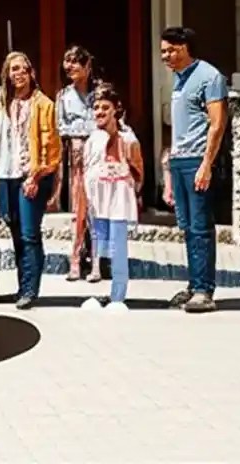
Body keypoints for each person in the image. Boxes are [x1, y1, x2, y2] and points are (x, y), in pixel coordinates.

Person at [160, 26, 228, 313]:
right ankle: (194, 284)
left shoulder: (209, 77)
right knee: (187, 227)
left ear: (184, 47)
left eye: (169, 50)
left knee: (200, 227)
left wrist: (206, 165)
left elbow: (217, 123)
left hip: (198, 160)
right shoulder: (179, 80)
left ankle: (204, 290)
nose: (164, 56)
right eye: (163, 51)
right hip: (179, 160)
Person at [0, 51, 62, 310]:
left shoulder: (43, 105)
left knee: (30, 233)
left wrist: (36, 175)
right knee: (15, 233)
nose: (18, 73)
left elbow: (52, 150)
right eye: (13, 69)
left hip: (30, 175)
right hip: (5, 174)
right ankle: (22, 286)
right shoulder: (3, 103)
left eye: (22, 68)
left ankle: (31, 290)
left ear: (31, 72)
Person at [81, 85, 143, 312]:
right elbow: (86, 169)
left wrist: (129, 190)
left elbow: (138, 172)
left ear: (116, 110)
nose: (99, 112)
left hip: (118, 198)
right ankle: (101, 292)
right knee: (99, 245)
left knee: (118, 247)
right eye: (96, 108)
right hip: (98, 200)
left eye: (104, 108)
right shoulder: (92, 140)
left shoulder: (128, 139)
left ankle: (118, 294)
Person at [52, 45, 100, 282]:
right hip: (76, 160)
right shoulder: (64, 96)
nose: (69, 67)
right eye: (66, 61)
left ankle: (97, 258)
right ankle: (76, 257)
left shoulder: (100, 94)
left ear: (87, 65)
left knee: (97, 208)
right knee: (79, 208)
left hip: (100, 158)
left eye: (74, 62)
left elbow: (111, 121)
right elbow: (60, 127)